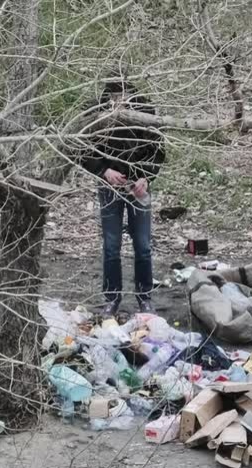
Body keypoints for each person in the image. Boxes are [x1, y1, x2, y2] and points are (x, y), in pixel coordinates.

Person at [79, 77, 165, 317]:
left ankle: (144, 298)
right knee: (111, 246)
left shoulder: (145, 110)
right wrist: (103, 170)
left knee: (143, 245)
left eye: (123, 96)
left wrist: (146, 178)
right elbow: (81, 148)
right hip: (109, 185)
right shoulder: (95, 111)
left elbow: (158, 151)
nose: (119, 101)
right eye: (115, 97)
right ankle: (112, 298)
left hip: (138, 186)